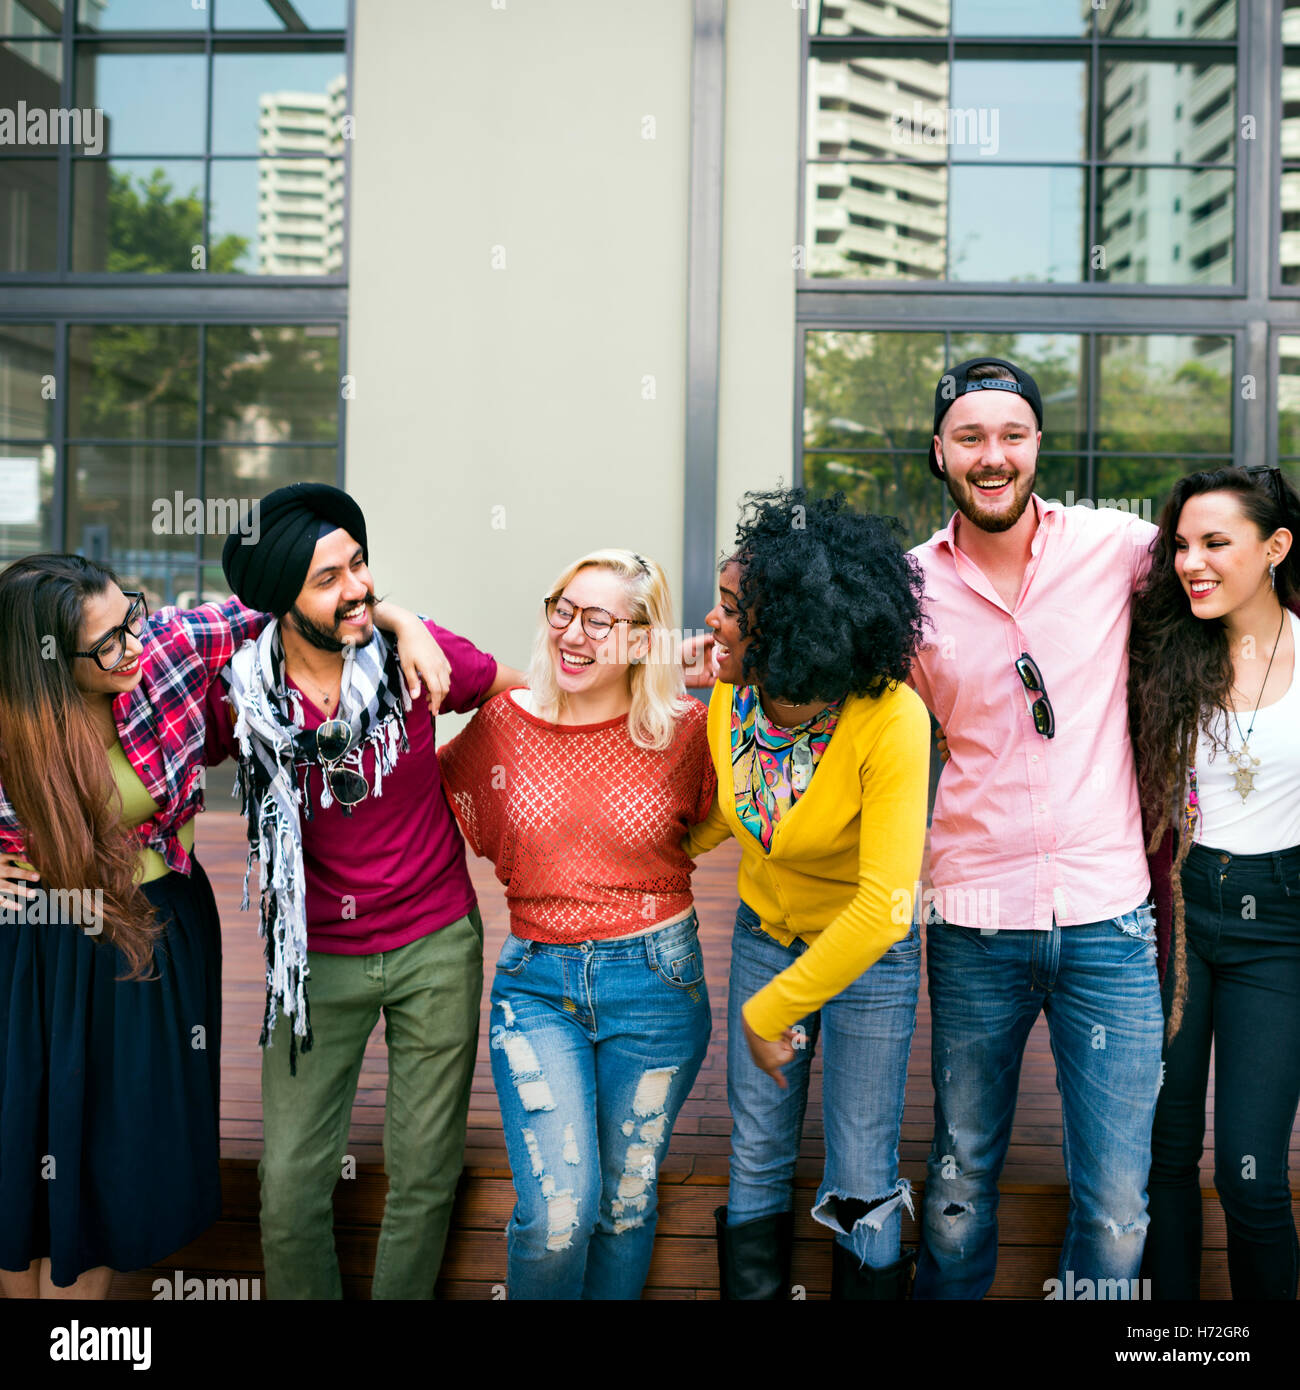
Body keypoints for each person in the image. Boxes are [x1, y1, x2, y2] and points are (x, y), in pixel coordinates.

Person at [0, 547, 440, 1300]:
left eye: (129, 617)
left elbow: (294, 602)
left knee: (107, 1150)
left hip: (146, 936)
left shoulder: (168, 648)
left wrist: (401, 620)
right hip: (31, 951)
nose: (132, 646)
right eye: (107, 644)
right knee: (25, 1145)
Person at [204, 482, 524, 1299]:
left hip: (436, 942)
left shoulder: (414, 655)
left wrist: (480, 794)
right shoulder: (235, 690)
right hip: (313, 962)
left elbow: (516, 696)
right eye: (327, 578)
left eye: (359, 564)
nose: (357, 588)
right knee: (288, 1189)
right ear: (281, 599)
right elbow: (146, 756)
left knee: (426, 1175)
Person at [908, 357, 1165, 1301]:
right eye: (970, 437)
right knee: (959, 1183)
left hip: (1109, 920)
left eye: (1011, 435)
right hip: (976, 920)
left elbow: (1237, 574)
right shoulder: (907, 593)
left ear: (1037, 448)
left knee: (1117, 1203)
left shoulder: (1119, 547)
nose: (992, 456)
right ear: (940, 453)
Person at [437, 549, 715, 1300]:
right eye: (563, 609)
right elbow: (426, 799)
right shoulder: (504, 723)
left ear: (641, 639)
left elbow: (739, 818)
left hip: (657, 985)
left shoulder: (687, 731)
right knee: (558, 1211)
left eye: (599, 619)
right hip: (536, 987)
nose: (573, 632)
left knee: (624, 1205)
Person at [686, 488, 932, 1300]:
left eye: (729, 609)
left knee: (861, 1167)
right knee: (756, 1152)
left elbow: (887, 905)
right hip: (766, 934)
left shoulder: (891, 719)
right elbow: (744, 812)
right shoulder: (732, 692)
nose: (712, 624)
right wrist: (657, 853)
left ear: (790, 627)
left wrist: (770, 1010)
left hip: (868, 959)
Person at [1130, 465, 1300, 1301]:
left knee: (1253, 1173)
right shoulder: (1164, 658)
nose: (1191, 561)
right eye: (1182, 545)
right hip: (1179, 924)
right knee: (1162, 1157)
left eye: (1215, 544)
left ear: (1274, 548)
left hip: (1281, 932)